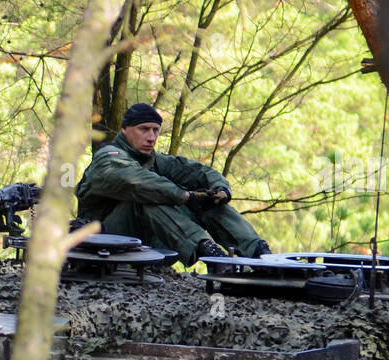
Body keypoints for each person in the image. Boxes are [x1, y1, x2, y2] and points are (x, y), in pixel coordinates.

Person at [75, 102, 271, 266]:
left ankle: (259, 254)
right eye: (143, 129)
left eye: (155, 131)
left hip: (149, 245)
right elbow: (135, 182)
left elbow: (197, 171)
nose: (151, 137)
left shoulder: (153, 160)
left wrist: (221, 189)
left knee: (207, 201)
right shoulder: (108, 158)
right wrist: (185, 196)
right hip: (104, 245)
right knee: (149, 198)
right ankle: (211, 255)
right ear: (125, 130)